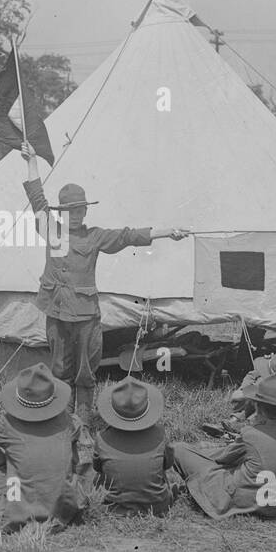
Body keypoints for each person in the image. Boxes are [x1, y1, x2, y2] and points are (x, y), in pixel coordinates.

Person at [21, 141, 189, 415]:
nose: (74, 215)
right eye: (69, 210)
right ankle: (62, 418)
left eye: (79, 210)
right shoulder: (52, 231)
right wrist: (31, 162)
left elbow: (127, 236)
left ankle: (84, 421)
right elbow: (37, 200)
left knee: (85, 371)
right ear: (61, 212)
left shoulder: (95, 235)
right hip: (58, 313)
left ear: (85, 211)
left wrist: (167, 231)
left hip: (86, 315)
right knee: (60, 368)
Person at [0, 362, 89, 533]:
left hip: (17, 515)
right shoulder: (68, 422)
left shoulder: (8, 425)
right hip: (64, 510)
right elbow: (78, 428)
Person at [171, 372, 276, 520]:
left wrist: (198, 449)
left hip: (249, 501)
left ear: (259, 407)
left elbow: (222, 458)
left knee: (179, 449)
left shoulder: (250, 434)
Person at [92, 377, 176, 516]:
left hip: (113, 507)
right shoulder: (160, 434)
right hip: (158, 506)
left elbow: (97, 468)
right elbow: (167, 465)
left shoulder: (102, 438)